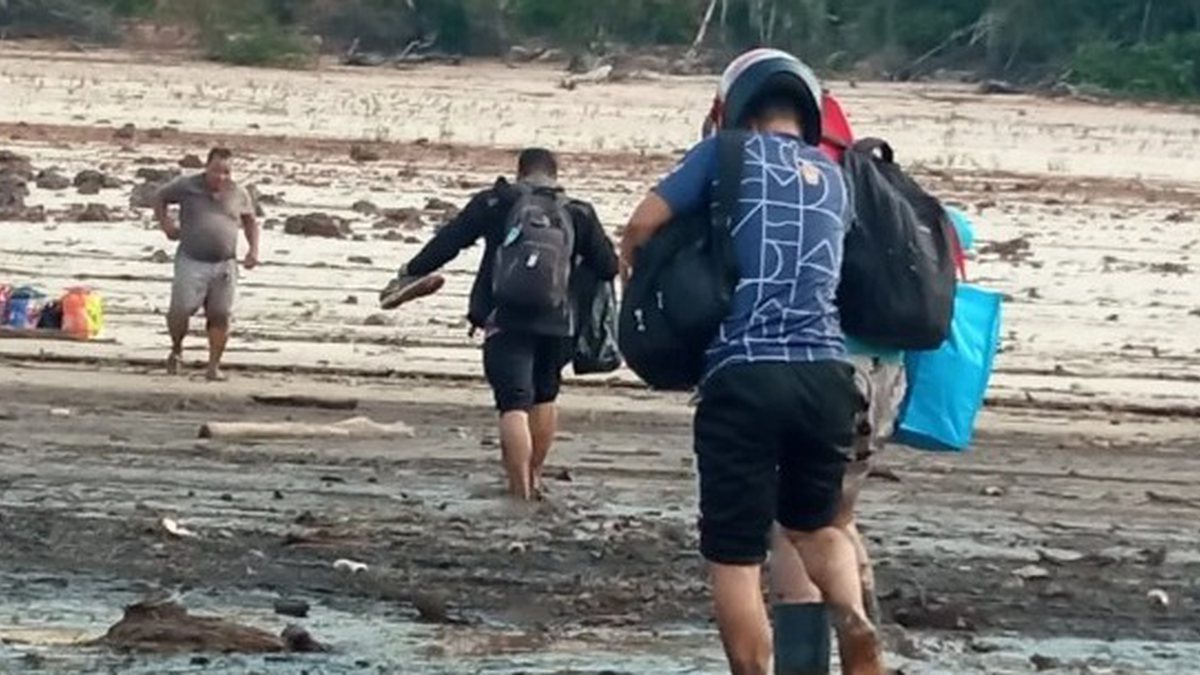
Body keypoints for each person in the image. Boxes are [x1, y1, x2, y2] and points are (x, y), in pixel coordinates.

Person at [621, 49, 883, 675]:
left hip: (743, 372)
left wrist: (640, 280)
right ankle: (854, 619)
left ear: (737, 106)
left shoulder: (724, 155)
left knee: (735, 553)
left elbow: (641, 225)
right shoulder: (836, 178)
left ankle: (753, 670)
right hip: (827, 375)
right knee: (817, 524)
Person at [379, 149, 618, 501]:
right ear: (555, 175)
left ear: (520, 172)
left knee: (513, 405)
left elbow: (450, 241)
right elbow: (608, 266)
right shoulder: (578, 211)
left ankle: (518, 490)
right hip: (559, 323)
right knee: (545, 395)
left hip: (503, 317)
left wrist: (412, 271)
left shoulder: (496, 201)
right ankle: (534, 478)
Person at [153, 147, 259, 382]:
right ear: (206, 167)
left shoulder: (239, 193)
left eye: (226, 172)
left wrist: (253, 250)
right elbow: (160, 197)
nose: (220, 177)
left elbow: (250, 221)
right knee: (181, 310)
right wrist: (167, 225)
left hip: (225, 263)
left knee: (220, 314)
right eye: (216, 171)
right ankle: (177, 348)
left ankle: (213, 366)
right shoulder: (186, 186)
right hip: (191, 258)